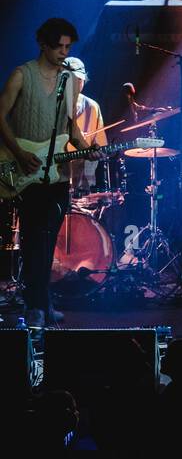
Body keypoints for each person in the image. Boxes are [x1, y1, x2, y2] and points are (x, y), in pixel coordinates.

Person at [0, 18, 99, 328]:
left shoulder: (68, 80)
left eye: (68, 47)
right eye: (59, 47)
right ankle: (34, 306)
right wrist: (18, 152)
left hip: (57, 174)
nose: (64, 53)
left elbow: (71, 128)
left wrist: (87, 146)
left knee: (48, 240)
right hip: (27, 170)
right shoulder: (21, 75)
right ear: (43, 44)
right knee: (33, 240)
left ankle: (43, 304)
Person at [64, 58, 109, 194]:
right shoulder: (50, 103)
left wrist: (95, 150)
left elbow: (100, 144)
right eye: (70, 79)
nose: (76, 84)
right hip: (54, 178)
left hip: (83, 182)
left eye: (79, 80)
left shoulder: (92, 107)